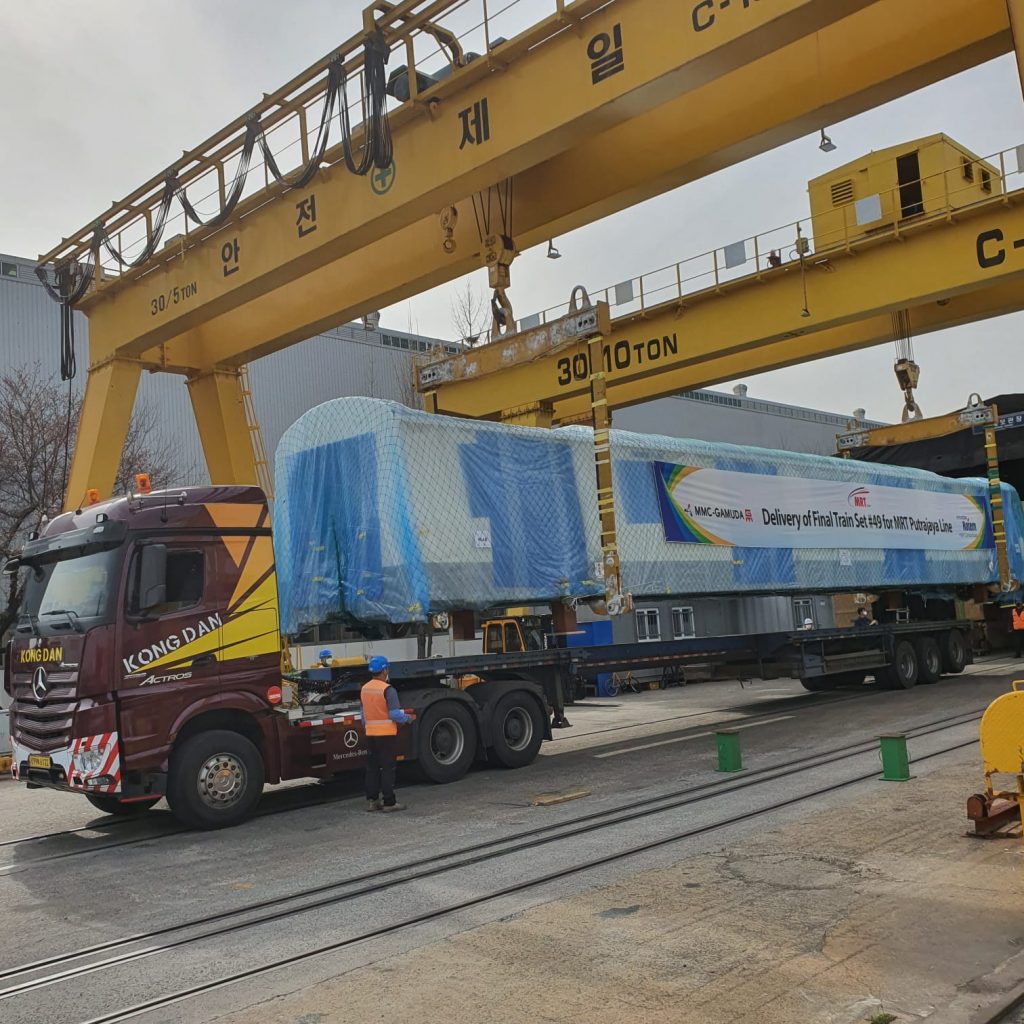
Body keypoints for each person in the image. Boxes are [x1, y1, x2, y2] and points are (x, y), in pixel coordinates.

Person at [360, 655, 412, 812]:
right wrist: (408, 718)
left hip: (370, 734)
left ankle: (372, 801)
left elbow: (363, 715)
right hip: (386, 735)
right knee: (388, 768)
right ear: (384, 670)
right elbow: (394, 714)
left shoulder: (365, 688)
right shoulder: (388, 690)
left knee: (372, 768)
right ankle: (389, 802)